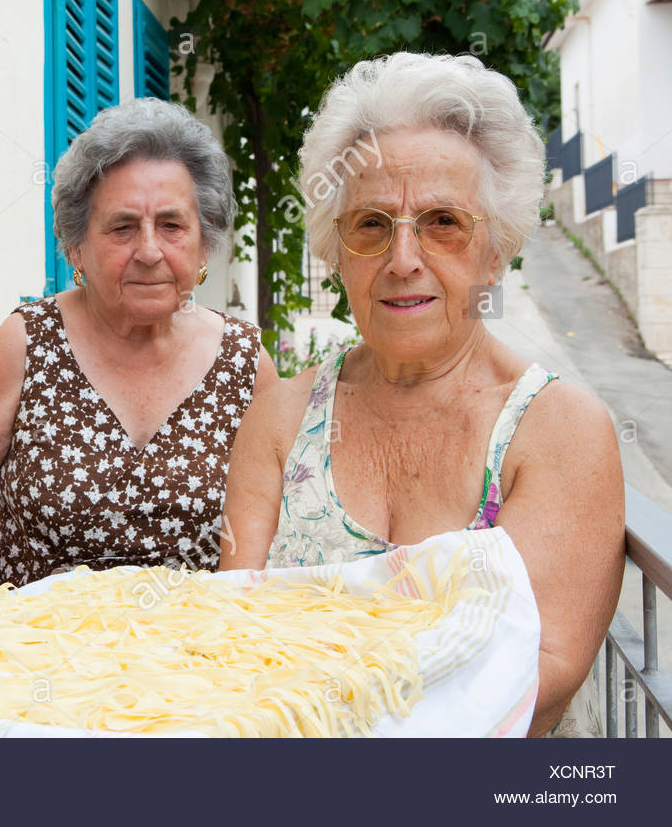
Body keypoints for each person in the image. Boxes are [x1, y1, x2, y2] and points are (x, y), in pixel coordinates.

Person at [219, 52, 624, 737]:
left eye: (443, 222)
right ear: (336, 252)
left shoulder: (556, 430)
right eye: (371, 225)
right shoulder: (283, 417)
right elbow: (231, 631)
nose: (403, 259)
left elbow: (540, 678)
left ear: (496, 251)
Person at [0, 98, 275, 593]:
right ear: (75, 246)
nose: (150, 251)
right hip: (34, 659)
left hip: (193, 663)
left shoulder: (244, 362)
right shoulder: (28, 342)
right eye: (122, 227)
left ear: (205, 244)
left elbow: (277, 521)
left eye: (172, 226)